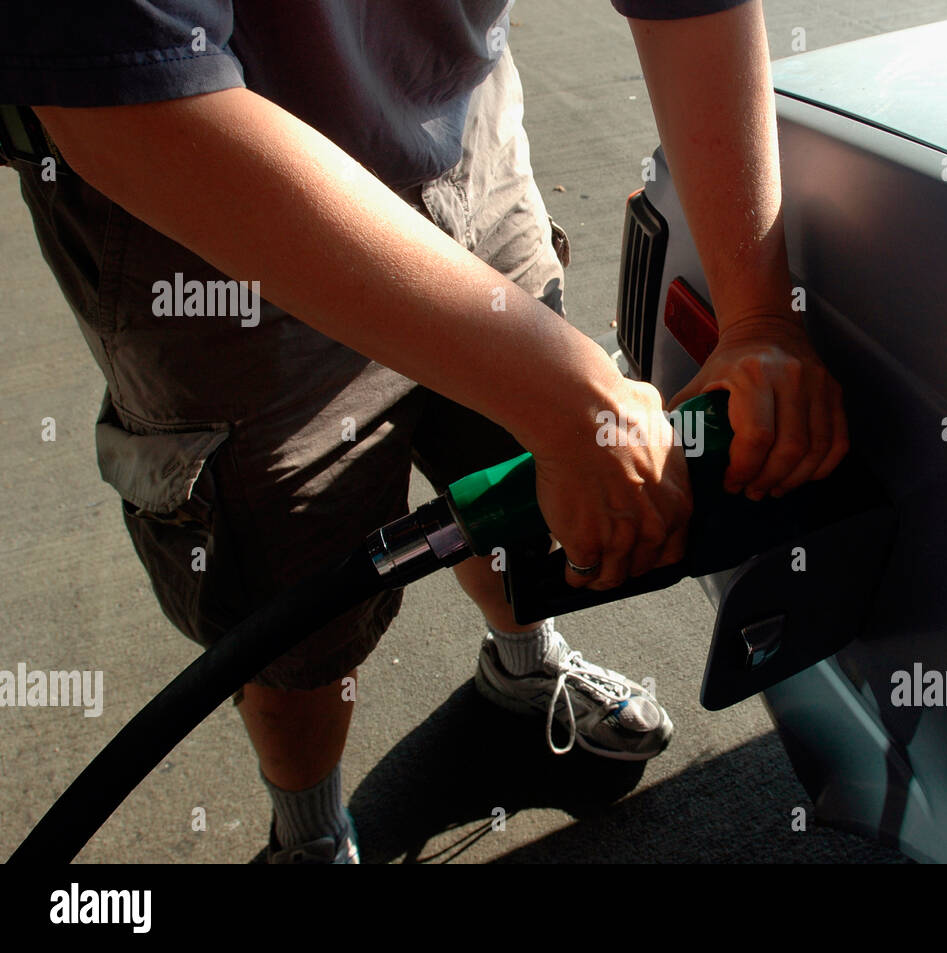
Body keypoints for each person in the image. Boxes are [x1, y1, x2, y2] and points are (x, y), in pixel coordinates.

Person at [0, 0, 849, 863]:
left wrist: (757, 318)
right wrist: (568, 401)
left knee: (511, 465)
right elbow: (125, 101)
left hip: (459, 132)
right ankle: (309, 831)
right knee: (292, 604)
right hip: (211, 222)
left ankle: (524, 670)